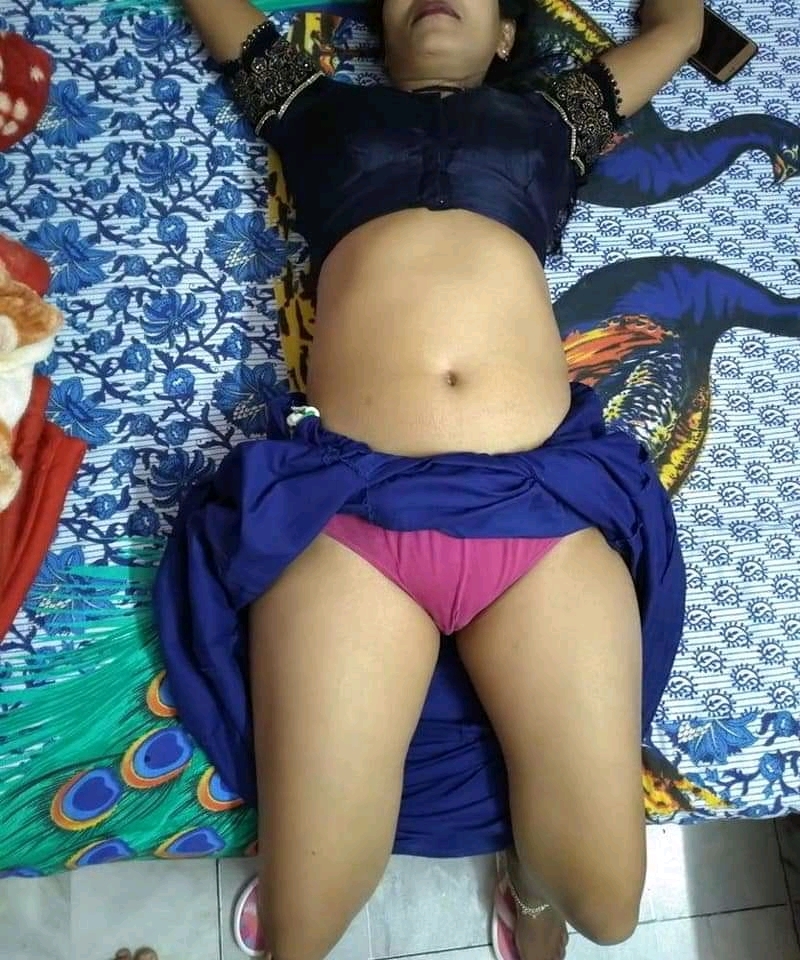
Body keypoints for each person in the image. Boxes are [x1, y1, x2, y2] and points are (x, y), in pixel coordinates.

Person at [154, 1, 703, 958]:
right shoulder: (315, 106)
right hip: (350, 516)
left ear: (505, 35)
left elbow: (679, 33)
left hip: (540, 508)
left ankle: (529, 876)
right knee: (300, 934)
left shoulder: (556, 115)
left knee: (610, 912)